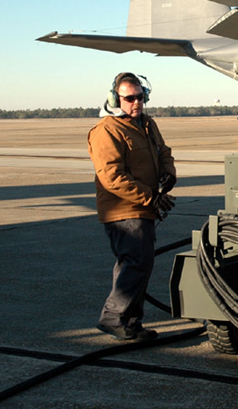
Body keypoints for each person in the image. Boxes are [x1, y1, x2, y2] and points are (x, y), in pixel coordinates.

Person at [87, 72, 176, 341]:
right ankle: (114, 318)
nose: (136, 103)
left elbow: (164, 152)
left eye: (140, 97)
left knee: (134, 264)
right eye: (129, 98)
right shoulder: (107, 131)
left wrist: (168, 174)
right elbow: (112, 177)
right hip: (123, 210)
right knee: (137, 262)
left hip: (142, 208)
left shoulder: (147, 125)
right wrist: (152, 197)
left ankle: (130, 324)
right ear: (115, 99)